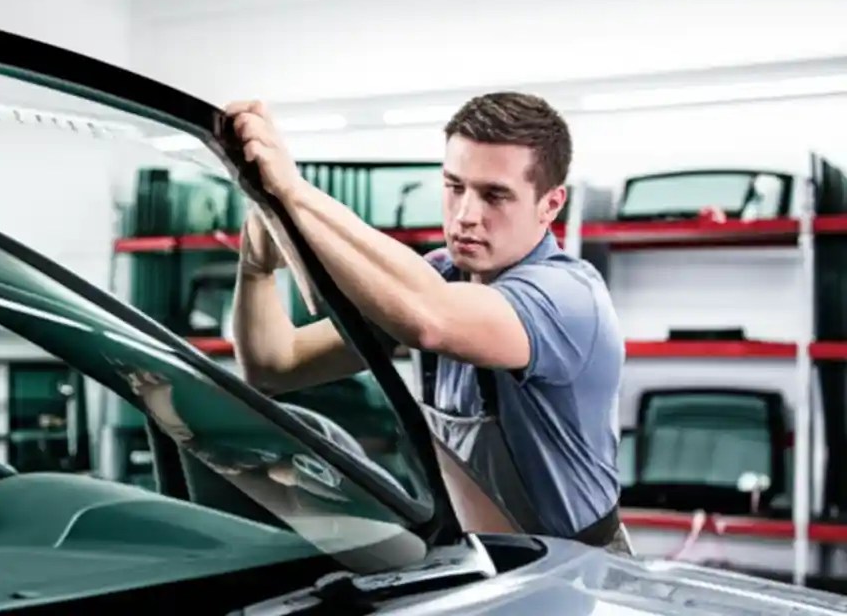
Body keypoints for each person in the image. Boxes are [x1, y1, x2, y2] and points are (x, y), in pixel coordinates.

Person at [226, 92, 631, 554]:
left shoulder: (567, 296)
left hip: (579, 565)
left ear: (551, 204)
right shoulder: (438, 275)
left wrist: (294, 192)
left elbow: (430, 320)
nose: (466, 216)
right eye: (454, 187)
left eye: (495, 195)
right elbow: (276, 365)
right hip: (484, 559)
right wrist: (255, 269)